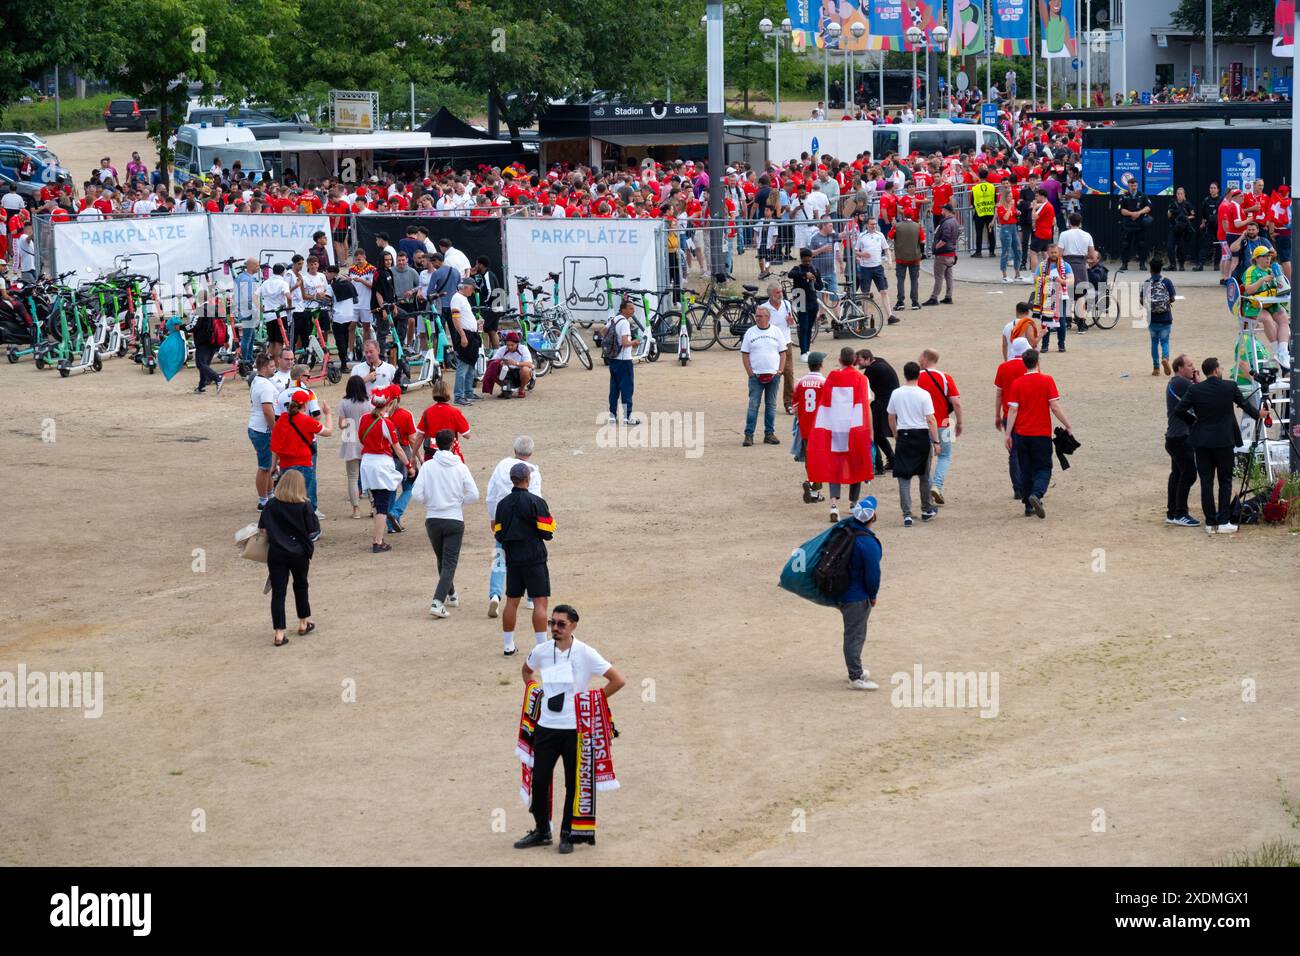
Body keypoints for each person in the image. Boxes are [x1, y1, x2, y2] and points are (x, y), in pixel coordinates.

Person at [515, 604, 625, 854]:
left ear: (573, 626)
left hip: (575, 731)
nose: (555, 628)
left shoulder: (586, 653)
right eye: (552, 623)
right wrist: (535, 691)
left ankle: (567, 833)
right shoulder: (541, 651)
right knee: (539, 780)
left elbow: (618, 680)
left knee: (573, 784)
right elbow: (526, 671)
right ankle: (542, 830)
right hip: (545, 727)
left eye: (561, 624)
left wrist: (591, 702)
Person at [1173, 356, 1263, 534]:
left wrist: (1194, 420)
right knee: (1225, 480)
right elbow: (1244, 405)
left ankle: (1210, 523)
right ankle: (1223, 521)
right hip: (1224, 440)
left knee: (1206, 482)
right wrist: (1258, 414)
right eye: (1220, 368)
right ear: (1215, 370)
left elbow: (1179, 410)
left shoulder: (1195, 389)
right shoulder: (1229, 386)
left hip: (1202, 441)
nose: (1221, 370)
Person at [411, 428, 480, 618]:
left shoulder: (428, 466)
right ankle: (437, 601)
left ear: (435, 444)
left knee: (442, 560)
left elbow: (416, 494)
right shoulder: (460, 467)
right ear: (452, 444)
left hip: (433, 519)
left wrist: (431, 502)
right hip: (454, 518)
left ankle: (451, 594)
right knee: (449, 562)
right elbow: (474, 494)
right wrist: (458, 503)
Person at [1003, 348, 1073, 519]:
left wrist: (1007, 434)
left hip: (1021, 434)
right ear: (1038, 362)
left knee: (1025, 469)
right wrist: (1067, 425)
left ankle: (1028, 505)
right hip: (1041, 433)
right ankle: (1037, 494)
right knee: (1043, 467)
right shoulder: (1047, 380)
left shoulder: (1017, 383)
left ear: (1024, 364)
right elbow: (1054, 407)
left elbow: (1012, 411)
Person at [494, 462, 555, 656]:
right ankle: (541, 646)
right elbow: (547, 531)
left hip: (513, 558)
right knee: (539, 601)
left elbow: (498, 533)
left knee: (511, 601)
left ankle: (508, 645)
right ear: (528, 479)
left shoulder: (502, 504)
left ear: (512, 480)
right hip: (535, 557)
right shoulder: (536, 501)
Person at [257, 469, 319, 648]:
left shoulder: (271, 505)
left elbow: (263, 529)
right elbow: (313, 529)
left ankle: (279, 633)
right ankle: (303, 622)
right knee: (301, 586)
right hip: (299, 553)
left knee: (278, 593)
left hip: (277, 553)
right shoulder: (305, 505)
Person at [486, 436, 540, 624]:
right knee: (529, 557)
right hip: (526, 521)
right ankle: (532, 597)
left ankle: (494, 594)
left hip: (504, 516)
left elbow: (491, 493)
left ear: (514, 449)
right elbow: (536, 499)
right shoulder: (533, 471)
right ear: (530, 453)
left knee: (499, 555)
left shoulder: (501, 466)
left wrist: (493, 517)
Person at [358, 386, 415, 553]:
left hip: (367, 462)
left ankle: (379, 538)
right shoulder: (386, 423)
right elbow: (397, 448)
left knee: (377, 503)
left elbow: (361, 438)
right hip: (381, 463)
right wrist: (409, 466)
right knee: (382, 504)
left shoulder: (363, 418)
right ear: (388, 404)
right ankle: (377, 541)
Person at [835, 498, 883, 691]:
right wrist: (873, 595)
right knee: (855, 635)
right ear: (872, 516)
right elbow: (873, 575)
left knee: (853, 633)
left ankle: (856, 670)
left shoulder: (846, 531)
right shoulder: (867, 543)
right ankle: (855, 676)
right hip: (856, 595)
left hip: (841, 590)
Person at [886, 361, 940, 527]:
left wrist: (895, 433)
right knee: (924, 475)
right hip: (921, 436)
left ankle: (907, 514)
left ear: (905, 374)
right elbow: (930, 419)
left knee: (904, 476)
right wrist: (936, 441)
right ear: (918, 375)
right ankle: (926, 509)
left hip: (904, 435)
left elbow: (891, 416)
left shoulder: (896, 393)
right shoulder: (924, 394)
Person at [270, 388, 333, 516]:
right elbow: (328, 432)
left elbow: (275, 446)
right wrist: (328, 414)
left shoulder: (282, 420)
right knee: (305, 495)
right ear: (305, 404)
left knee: (288, 496)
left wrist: (273, 466)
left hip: (285, 464)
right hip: (304, 463)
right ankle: (309, 522)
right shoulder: (307, 420)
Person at [916, 349, 962, 506]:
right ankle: (937, 485)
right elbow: (956, 402)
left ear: (924, 359)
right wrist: (960, 422)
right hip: (943, 423)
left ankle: (928, 488)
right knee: (945, 456)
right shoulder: (945, 377)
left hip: (920, 425)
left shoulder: (916, 377)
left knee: (925, 459)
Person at [740, 304, 789, 446]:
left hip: (773, 375)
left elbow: (783, 352)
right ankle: (749, 435)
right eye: (756, 316)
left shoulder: (776, 331)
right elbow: (745, 354)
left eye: (760, 316)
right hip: (756, 376)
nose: (757, 318)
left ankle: (769, 433)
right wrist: (750, 373)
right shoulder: (750, 332)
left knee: (771, 405)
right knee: (753, 405)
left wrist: (780, 371)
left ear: (768, 317)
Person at [1240, 245, 1292, 370]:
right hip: (1254, 305)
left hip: (1271, 303)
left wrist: (1280, 279)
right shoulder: (1251, 271)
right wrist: (1262, 280)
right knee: (1267, 319)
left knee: (1283, 318)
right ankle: (1276, 350)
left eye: (1269, 256)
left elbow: (1282, 289)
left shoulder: (1272, 270)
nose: (1268, 259)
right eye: (1264, 256)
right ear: (1256, 259)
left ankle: (1283, 351)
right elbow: (1249, 289)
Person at [1164, 354, 1201, 528]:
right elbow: (1203, 395)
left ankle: (1172, 513)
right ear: (1179, 369)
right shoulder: (1181, 383)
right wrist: (1198, 381)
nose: (1193, 368)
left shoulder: (1177, 383)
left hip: (1174, 437)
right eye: (1189, 365)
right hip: (1181, 437)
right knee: (1189, 474)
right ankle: (1180, 513)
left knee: (1177, 474)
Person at [994, 338, 1030, 496]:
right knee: (1027, 451)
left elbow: (999, 393)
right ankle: (1027, 483)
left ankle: (1017, 487)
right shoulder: (1030, 365)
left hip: (1008, 413)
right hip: (1026, 413)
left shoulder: (1003, 367)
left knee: (1013, 452)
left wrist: (997, 414)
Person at [794, 351, 827, 504]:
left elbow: (794, 406)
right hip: (821, 426)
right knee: (821, 458)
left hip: (805, 426)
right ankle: (813, 485)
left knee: (810, 457)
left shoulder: (800, 382)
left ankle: (813, 486)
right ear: (820, 365)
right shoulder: (824, 382)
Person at [600, 297, 640, 423]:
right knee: (627, 388)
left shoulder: (614, 319)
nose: (633, 311)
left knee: (614, 388)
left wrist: (612, 343)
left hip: (613, 359)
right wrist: (634, 342)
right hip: (624, 360)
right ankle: (627, 417)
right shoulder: (624, 323)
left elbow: (604, 330)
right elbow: (625, 342)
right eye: (630, 309)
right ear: (623, 310)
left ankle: (612, 415)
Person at [247, 354, 279, 510]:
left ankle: (269, 495)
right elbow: (267, 410)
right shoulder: (265, 385)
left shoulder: (257, 381)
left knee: (269, 465)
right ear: (265, 367)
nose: (274, 368)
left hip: (257, 427)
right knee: (265, 467)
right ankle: (263, 500)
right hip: (263, 430)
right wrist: (276, 429)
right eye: (272, 366)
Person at [413, 378, 471, 464]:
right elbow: (467, 435)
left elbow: (419, 437)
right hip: (449, 453)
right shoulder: (455, 412)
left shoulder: (427, 412)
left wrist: (413, 456)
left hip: (431, 454)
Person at [860, 350, 898, 473]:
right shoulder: (879, 361)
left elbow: (864, 390)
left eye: (859, 360)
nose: (858, 364)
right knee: (878, 435)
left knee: (873, 434)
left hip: (883, 403)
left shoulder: (871, 370)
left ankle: (878, 465)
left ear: (867, 359)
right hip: (889, 401)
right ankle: (892, 460)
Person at [337, 375, 369, 520]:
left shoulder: (344, 402)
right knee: (369, 477)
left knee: (352, 477)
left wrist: (348, 424)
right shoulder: (369, 403)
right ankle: (374, 507)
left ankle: (356, 509)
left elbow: (341, 424)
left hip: (350, 440)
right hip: (366, 440)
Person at [1032, 243, 1074, 353]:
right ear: (1047, 253)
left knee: (1061, 320)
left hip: (1061, 296)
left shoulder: (1066, 265)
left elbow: (1071, 280)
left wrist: (1062, 281)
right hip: (1046, 296)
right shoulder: (1042, 265)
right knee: (1045, 321)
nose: (1054, 254)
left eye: (1055, 252)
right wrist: (1045, 279)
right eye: (1051, 253)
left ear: (1058, 252)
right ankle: (1045, 345)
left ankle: (1061, 344)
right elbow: (1035, 278)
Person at [1057, 213, 1095, 334]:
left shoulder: (1064, 234)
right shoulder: (1087, 235)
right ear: (1080, 222)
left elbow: (1059, 253)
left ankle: (1067, 321)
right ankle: (1081, 323)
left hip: (1067, 265)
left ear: (1069, 222)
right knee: (1081, 295)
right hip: (1081, 266)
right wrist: (1085, 261)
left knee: (1067, 293)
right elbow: (1093, 256)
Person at [853, 217, 892, 326]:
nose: (874, 226)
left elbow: (886, 248)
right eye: (871, 224)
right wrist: (862, 255)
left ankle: (890, 315)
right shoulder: (862, 236)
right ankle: (865, 316)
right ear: (867, 225)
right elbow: (855, 251)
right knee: (865, 292)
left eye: (875, 224)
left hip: (878, 266)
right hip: (866, 268)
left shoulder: (880, 235)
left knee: (884, 291)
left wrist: (889, 260)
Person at [449, 277, 482, 406]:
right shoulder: (457, 298)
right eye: (472, 288)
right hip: (465, 334)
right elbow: (455, 319)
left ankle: (468, 392)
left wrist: (476, 323)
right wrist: (463, 336)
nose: (473, 291)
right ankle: (459, 395)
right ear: (466, 286)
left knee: (470, 365)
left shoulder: (462, 298)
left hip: (470, 334)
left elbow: (461, 317)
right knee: (463, 366)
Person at [1141, 259, 1176, 376]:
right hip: (1166, 318)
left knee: (1154, 342)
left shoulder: (1147, 282)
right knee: (1165, 342)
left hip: (1152, 319)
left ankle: (1156, 368)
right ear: (1161, 269)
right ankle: (1165, 358)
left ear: (1150, 270)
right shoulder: (1167, 282)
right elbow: (1172, 298)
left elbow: (1142, 300)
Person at [888, 211, 924, 315]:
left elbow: (890, 237)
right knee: (914, 280)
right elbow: (922, 241)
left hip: (901, 257)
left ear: (903, 215)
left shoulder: (897, 226)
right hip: (914, 257)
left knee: (900, 280)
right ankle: (915, 302)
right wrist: (920, 253)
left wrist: (893, 226)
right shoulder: (918, 226)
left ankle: (900, 302)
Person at [922, 204, 958, 306]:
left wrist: (936, 247)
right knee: (949, 276)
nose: (941, 211)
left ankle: (934, 297)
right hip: (951, 253)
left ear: (946, 210)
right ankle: (948, 296)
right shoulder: (954, 221)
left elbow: (945, 238)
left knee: (939, 277)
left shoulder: (947, 223)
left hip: (943, 253)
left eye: (942, 210)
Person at [1116, 178, 1152, 270]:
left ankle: (1142, 264)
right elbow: (1121, 210)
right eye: (1132, 185)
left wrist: (1139, 213)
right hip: (1127, 224)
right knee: (1125, 244)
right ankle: (1124, 264)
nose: (1133, 187)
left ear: (1137, 185)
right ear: (1128, 186)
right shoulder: (1124, 196)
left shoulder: (1143, 196)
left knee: (1141, 244)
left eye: (1135, 185)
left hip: (1140, 225)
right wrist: (1132, 214)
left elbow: (1148, 207)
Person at [491, 331, 535, 397]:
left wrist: (515, 363)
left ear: (517, 344)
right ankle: (505, 388)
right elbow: (492, 361)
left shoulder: (523, 349)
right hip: (507, 372)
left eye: (512, 345)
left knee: (525, 369)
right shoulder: (502, 349)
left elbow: (530, 364)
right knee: (492, 369)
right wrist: (500, 363)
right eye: (508, 345)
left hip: (519, 373)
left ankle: (521, 389)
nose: (510, 347)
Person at [996, 186, 1024, 283]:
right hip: (1005, 229)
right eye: (1009, 196)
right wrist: (1009, 208)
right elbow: (1006, 218)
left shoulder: (1012, 205)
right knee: (1006, 251)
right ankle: (1004, 275)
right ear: (1004, 197)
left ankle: (1017, 273)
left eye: (1012, 196)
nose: (1011, 198)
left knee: (1018, 250)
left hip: (1013, 228)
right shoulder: (1000, 206)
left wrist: (1017, 212)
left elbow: (1012, 214)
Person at [1166, 186, 1196, 270]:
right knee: (1169, 246)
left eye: (1181, 194)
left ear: (1184, 195)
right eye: (1178, 194)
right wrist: (1169, 213)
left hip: (1183, 229)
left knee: (1182, 248)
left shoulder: (1188, 204)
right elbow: (1168, 216)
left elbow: (1193, 215)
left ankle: (1181, 265)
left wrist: (1186, 218)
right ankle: (1172, 265)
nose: (1179, 195)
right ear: (1176, 195)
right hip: (1174, 228)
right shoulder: (1172, 204)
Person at [970, 167, 997, 258]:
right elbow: (995, 199)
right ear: (987, 176)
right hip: (990, 212)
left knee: (979, 232)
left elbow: (972, 201)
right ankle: (992, 252)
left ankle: (978, 252)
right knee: (990, 232)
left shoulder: (975, 188)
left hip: (979, 212)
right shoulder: (992, 187)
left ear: (978, 176)